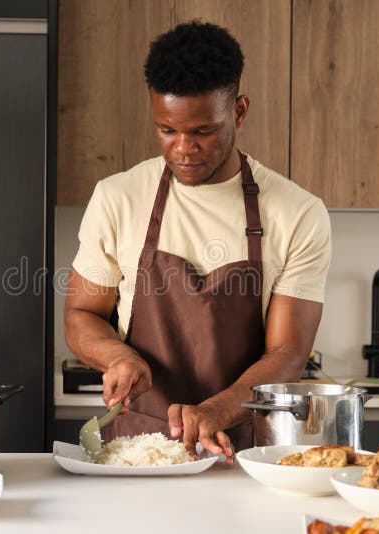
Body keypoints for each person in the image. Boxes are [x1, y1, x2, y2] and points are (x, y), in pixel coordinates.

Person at [64, 21, 331, 464]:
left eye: (203, 131)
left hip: (244, 453)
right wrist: (116, 356)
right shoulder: (118, 197)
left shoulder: (297, 212)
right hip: (139, 453)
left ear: (239, 111)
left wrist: (216, 411)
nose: (183, 148)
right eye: (167, 130)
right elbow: (80, 313)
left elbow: (289, 351)